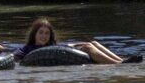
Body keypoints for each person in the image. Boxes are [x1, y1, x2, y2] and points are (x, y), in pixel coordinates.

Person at [14, 18, 142, 64]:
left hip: (68, 54)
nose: (44, 36)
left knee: (93, 43)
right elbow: (15, 57)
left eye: (47, 33)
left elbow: (63, 46)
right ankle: (118, 64)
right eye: (41, 33)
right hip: (40, 59)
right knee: (87, 47)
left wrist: (75, 44)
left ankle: (121, 60)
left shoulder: (51, 45)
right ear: (34, 34)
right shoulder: (27, 48)